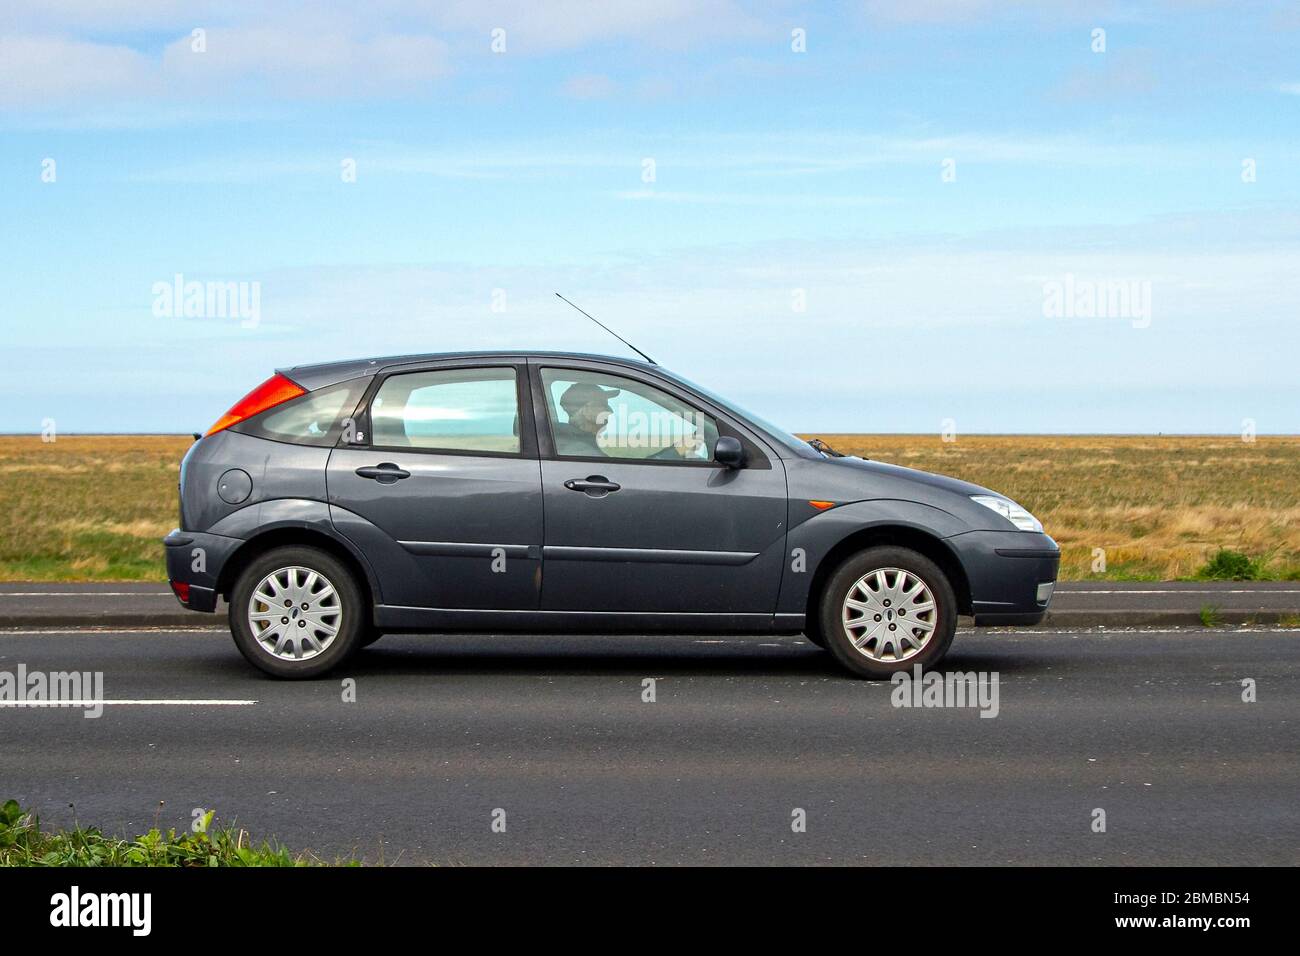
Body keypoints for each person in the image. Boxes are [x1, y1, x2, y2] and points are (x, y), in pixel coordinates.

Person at [553, 382, 619, 456]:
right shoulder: (582, 451)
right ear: (585, 410)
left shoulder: (572, 442)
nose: (610, 411)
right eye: (602, 404)